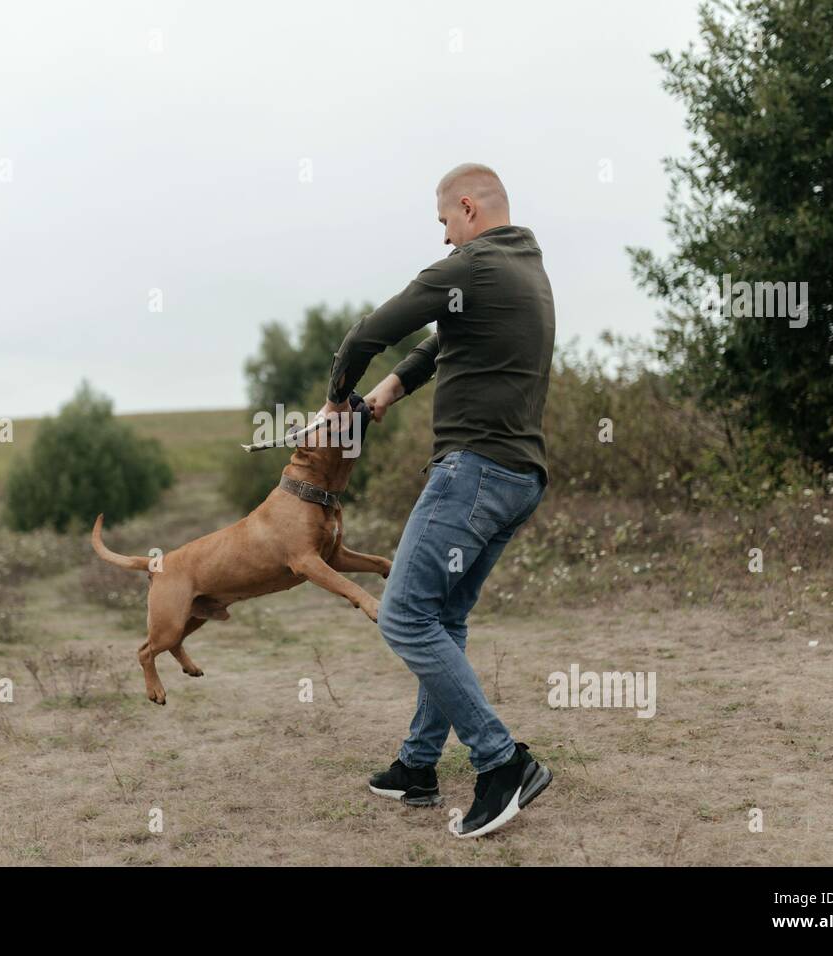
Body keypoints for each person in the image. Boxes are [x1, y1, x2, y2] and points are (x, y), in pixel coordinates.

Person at [317, 162, 556, 838]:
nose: (446, 239)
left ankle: (501, 761)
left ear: (469, 207)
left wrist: (338, 399)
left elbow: (368, 331)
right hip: (517, 477)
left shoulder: (474, 264)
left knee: (402, 617)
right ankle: (419, 767)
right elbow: (442, 342)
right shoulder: (525, 268)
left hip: (473, 473)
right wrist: (384, 396)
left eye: (445, 223)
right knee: (443, 617)